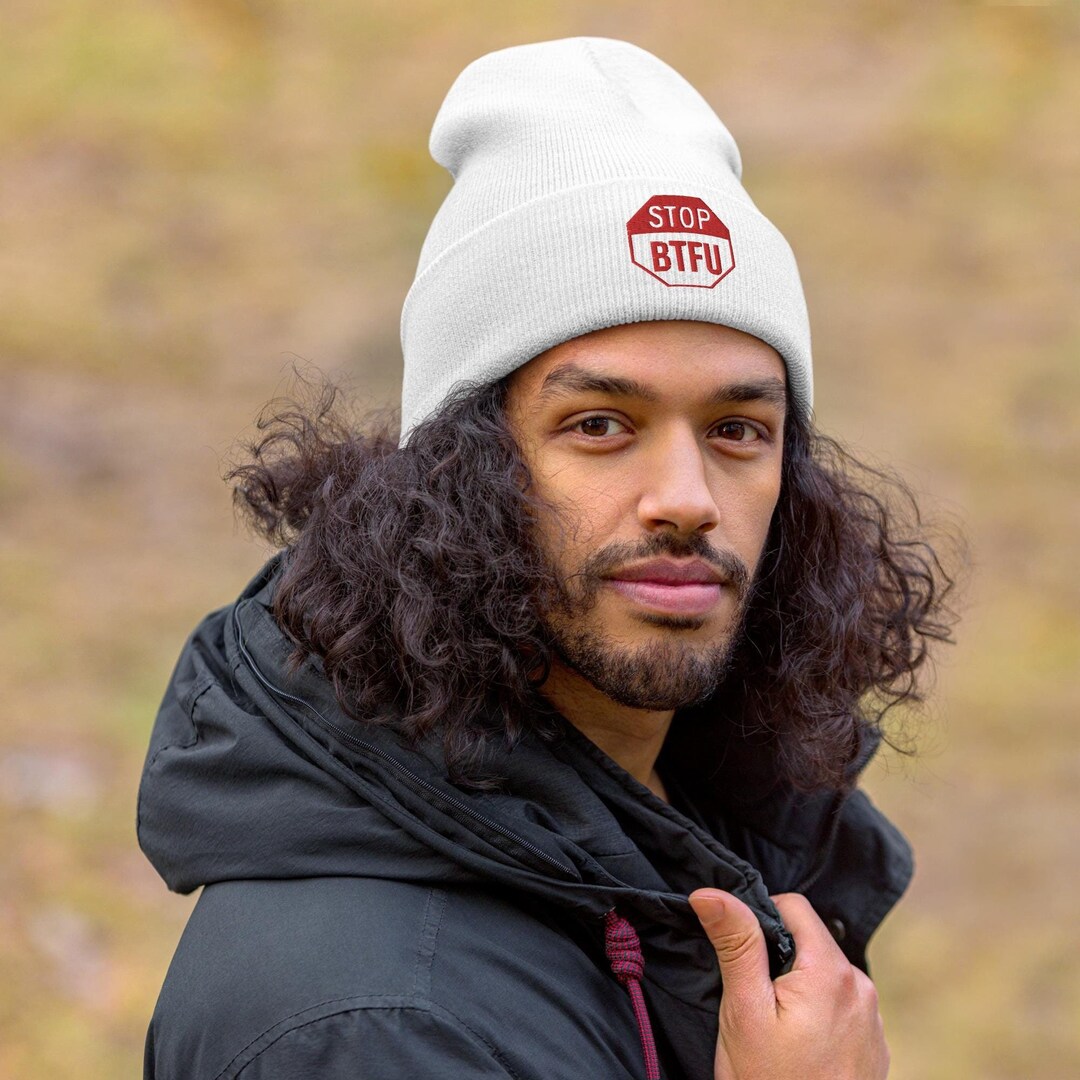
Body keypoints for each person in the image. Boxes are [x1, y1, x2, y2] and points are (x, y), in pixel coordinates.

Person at [139, 37, 956, 1079]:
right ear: (456, 473)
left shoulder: (688, 827)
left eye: (737, 430)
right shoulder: (375, 1025)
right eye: (601, 425)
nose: (687, 501)